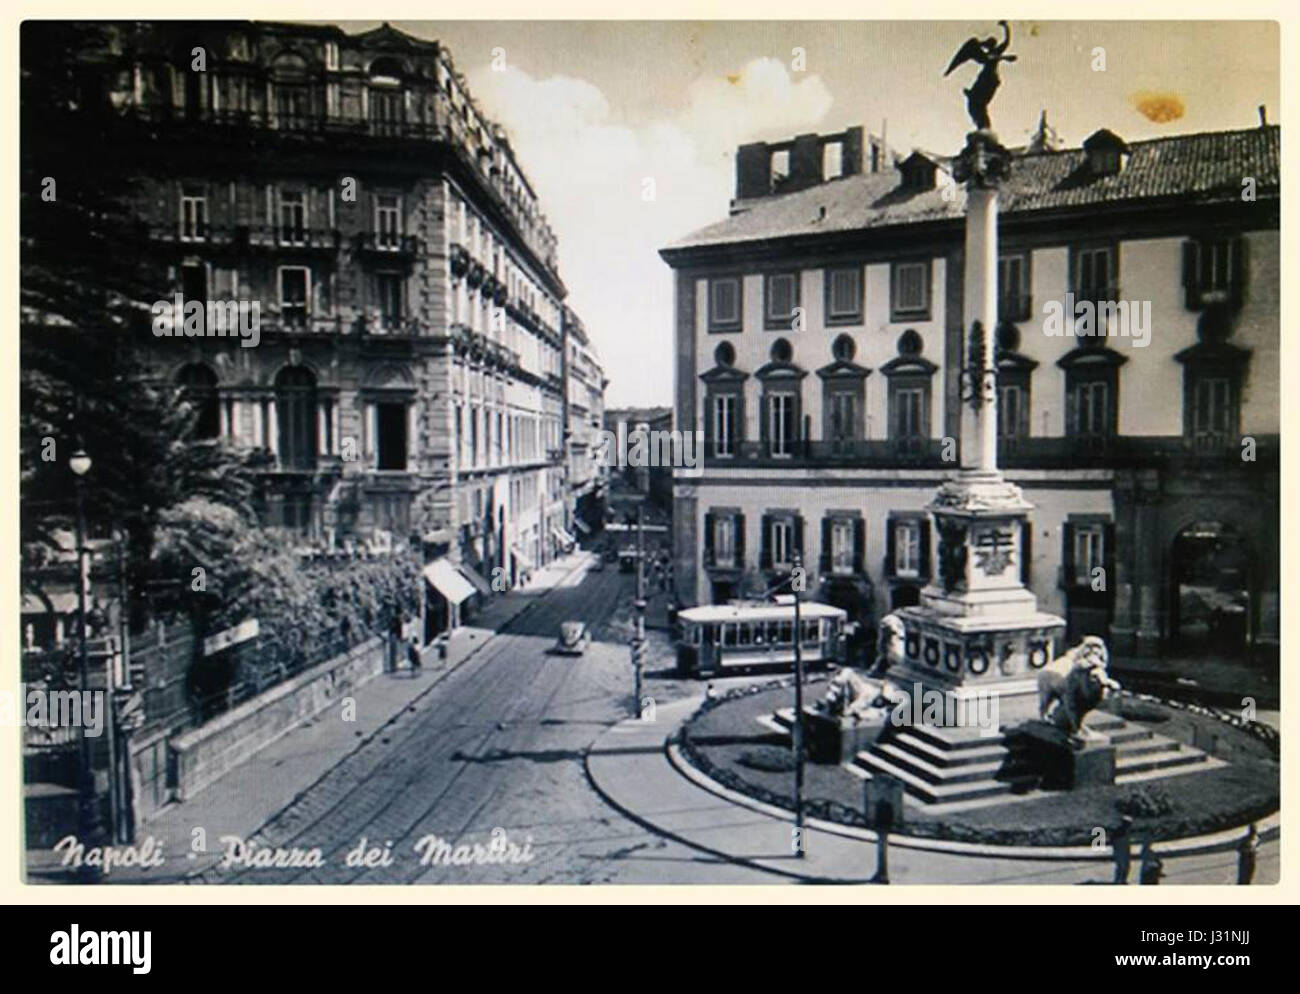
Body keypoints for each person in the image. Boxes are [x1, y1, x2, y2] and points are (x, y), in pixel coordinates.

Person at [1112, 815, 1133, 884]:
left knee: (1126, 866)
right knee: (1121, 866)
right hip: (1120, 851)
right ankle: (1118, 881)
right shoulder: (1119, 831)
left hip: (1125, 851)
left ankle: (1123, 880)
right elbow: (1114, 841)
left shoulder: (1126, 831)